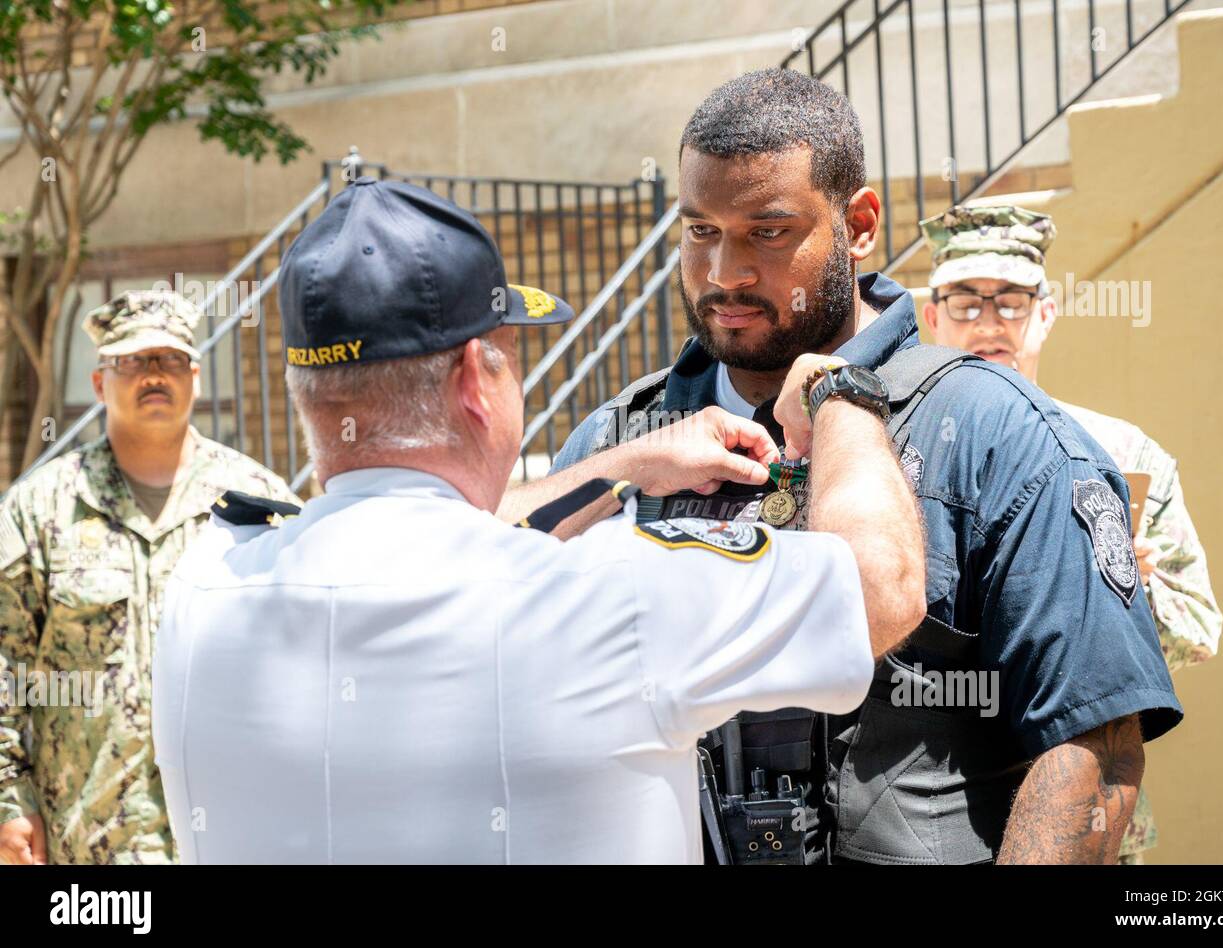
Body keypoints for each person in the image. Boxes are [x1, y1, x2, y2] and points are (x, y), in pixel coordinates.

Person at [151, 177, 927, 864]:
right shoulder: (612, 598)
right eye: (511, 354)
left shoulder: (201, 592)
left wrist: (625, 463)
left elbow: (435, 526)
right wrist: (845, 392)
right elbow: (880, 586)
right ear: (474, 380)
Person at [540, 68, 1184, 864]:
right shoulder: (618, 445)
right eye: (700, 230)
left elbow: (1097, 740)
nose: (724, 274)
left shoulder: (997, 433)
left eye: (767, 232)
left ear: (861, 225)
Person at [919, 203, 1223, 863]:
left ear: (1047, 314)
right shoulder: (896, 455)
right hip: (930, 804)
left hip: (1090, 811)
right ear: (930, 316)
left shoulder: (1121, 454)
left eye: (1012, 300)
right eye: (966, 302)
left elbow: (1199, 624)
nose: (991, 322)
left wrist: (1126, 595)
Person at [0, 291, 298, 865]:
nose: (152, 375)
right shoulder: (39, 509)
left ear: (195, 376)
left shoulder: (262, 505)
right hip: (85, 845)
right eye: (132, 362)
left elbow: (301, 660)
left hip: (232, 839)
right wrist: (10, 801)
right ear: (98, 383)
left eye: (168, 360)